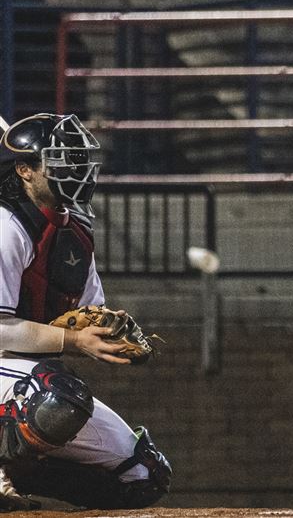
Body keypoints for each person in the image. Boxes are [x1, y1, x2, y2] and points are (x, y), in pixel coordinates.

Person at [0, 113, 171, 510]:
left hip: (24, 377)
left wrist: (105, 333)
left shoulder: (75, 228)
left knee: (144, 474)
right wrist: (72, 340)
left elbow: (88, 312)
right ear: (25, 170)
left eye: (77, 159)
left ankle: (17, 476)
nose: (74, 169)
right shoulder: (7, 226)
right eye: (60, 161)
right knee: (60, 396)